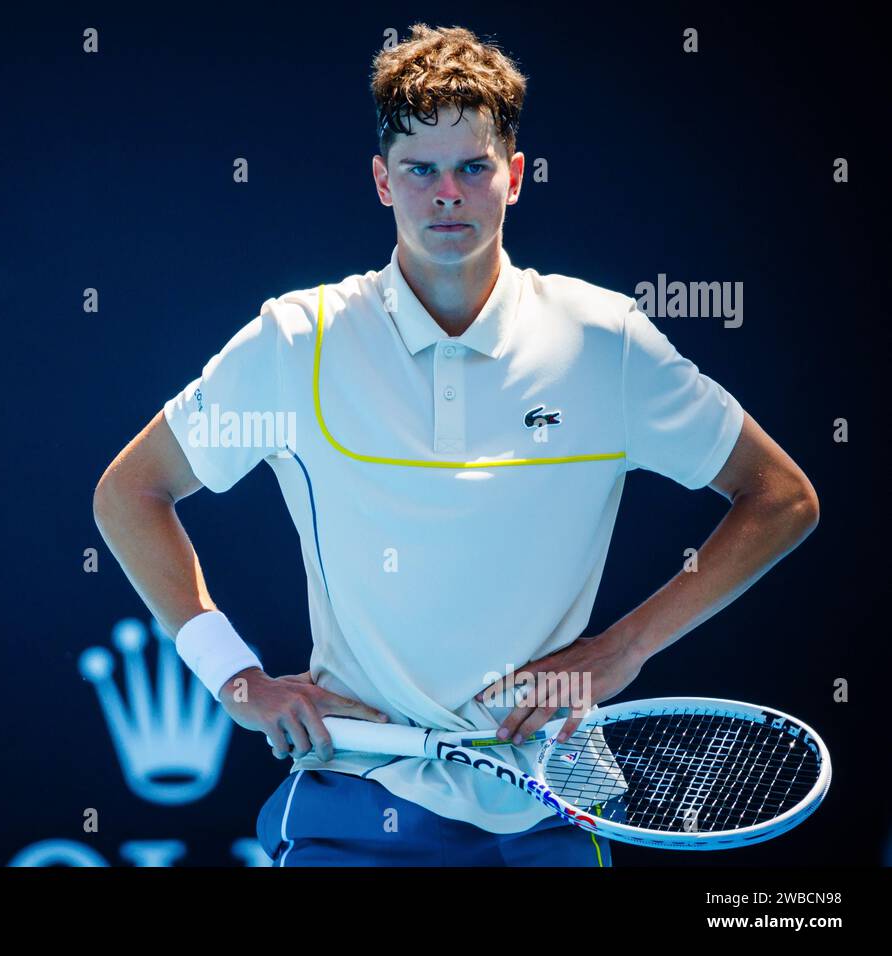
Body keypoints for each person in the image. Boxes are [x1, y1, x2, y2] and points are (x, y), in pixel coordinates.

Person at [92, 23, 818, 866]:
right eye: (420, 170)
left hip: (555, 793)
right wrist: (236, 678)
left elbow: (781, 497)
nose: (447, 194)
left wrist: (620, 651)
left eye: (473, 167)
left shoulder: (604, 339)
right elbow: (130, 492)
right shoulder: (299, 340)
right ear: (380, 180)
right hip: (359, 788)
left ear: (514, 176)